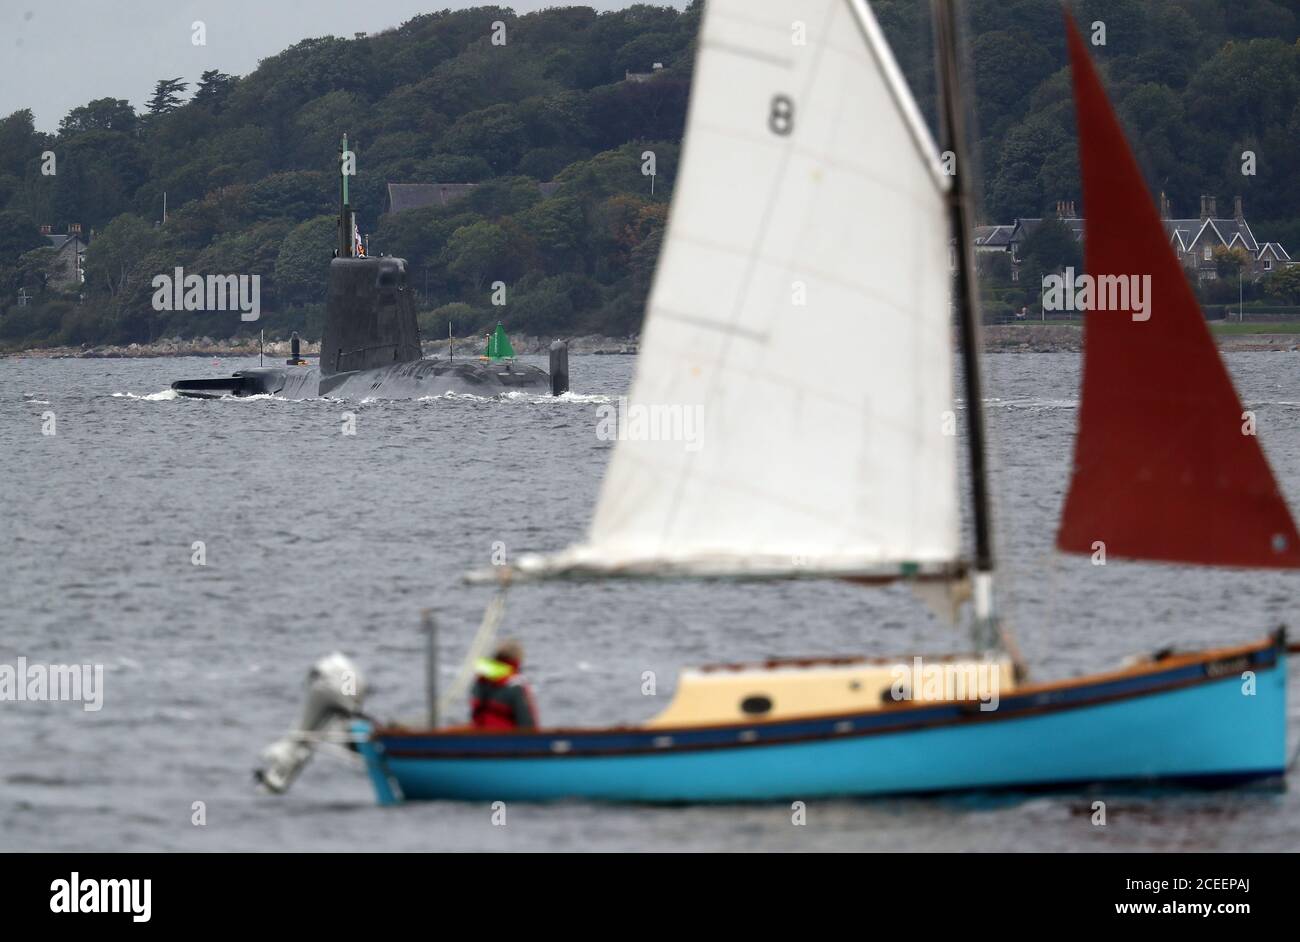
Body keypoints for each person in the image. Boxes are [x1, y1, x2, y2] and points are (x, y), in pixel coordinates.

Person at [470, 640, 538, 730]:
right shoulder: (515, 685)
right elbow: (526, 723)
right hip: (507, 738)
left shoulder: (481, 680)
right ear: (517, 659)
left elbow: (475, 709)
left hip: (480, 734)